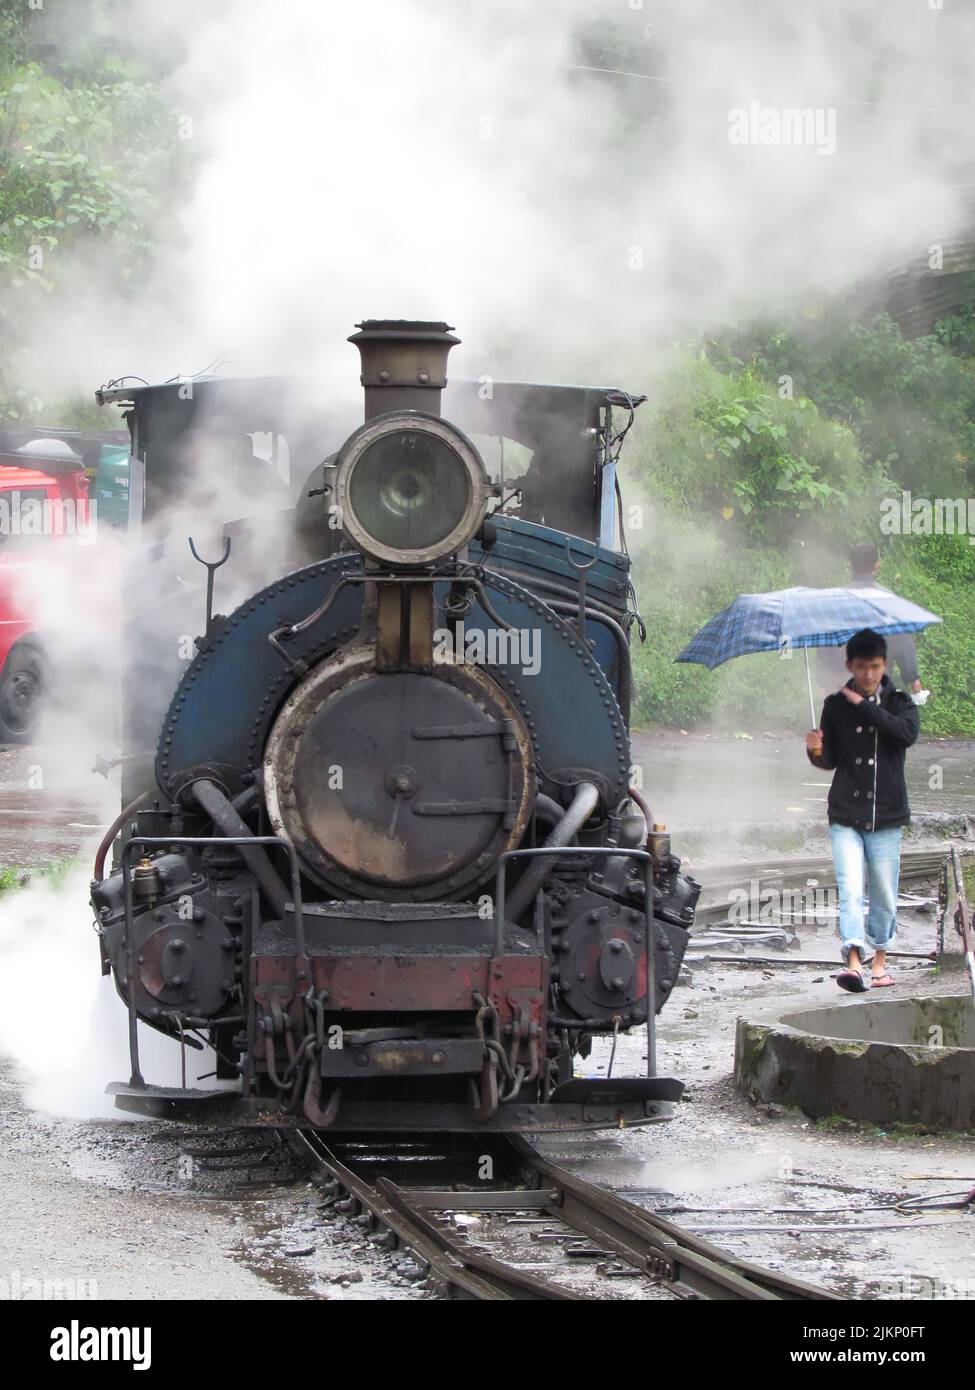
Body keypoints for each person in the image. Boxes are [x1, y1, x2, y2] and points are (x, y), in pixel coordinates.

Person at [805, 628, 920, 992]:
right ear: (849, 665)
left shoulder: (900, 702)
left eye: (874, 666)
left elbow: (906, 735)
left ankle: (880, 958)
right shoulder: (834, 705)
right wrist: (816, 751)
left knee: (884, 892)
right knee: (850, 886)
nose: (867, 674)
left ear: (884, 665)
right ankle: (853, 960)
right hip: (845, 813)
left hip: (887, 814)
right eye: (860, 667)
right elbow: (831, 761)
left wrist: (865, 707)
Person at [816, 544, 925, 698]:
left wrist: (824, 682)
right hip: (878, 687)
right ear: (877, 566)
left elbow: (826, 643)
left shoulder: (837, 602)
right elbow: (902, 642)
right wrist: (913, 678)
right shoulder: (887, 600)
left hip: (845, 687)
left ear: (850, 565)